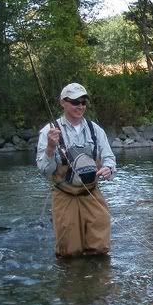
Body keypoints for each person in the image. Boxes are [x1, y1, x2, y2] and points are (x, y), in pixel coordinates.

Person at [36, 82, 117, 257]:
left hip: (92, 194)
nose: (80, 106)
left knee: (100, 248)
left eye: (83, 102)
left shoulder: (96, 130)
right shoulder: (47, 132)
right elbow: (44, 170)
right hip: (64, 195)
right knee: (69, 252)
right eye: (74, 102)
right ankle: (72, 282)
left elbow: (109, 158)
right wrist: (50, 148)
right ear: (62, 102)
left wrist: (109, 169)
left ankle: (97, 282)